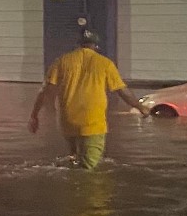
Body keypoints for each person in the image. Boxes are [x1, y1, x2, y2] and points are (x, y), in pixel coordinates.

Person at [28, 28, 149, 170]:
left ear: (79, 44)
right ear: (96, 46)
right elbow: (122, 91)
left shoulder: (61, 61)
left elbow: (45, 91)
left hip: (67, 122)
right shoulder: (105, 64)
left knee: (73, 161)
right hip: (92, 123)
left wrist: (34, 116)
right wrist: (141, 107)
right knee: (89, 171)